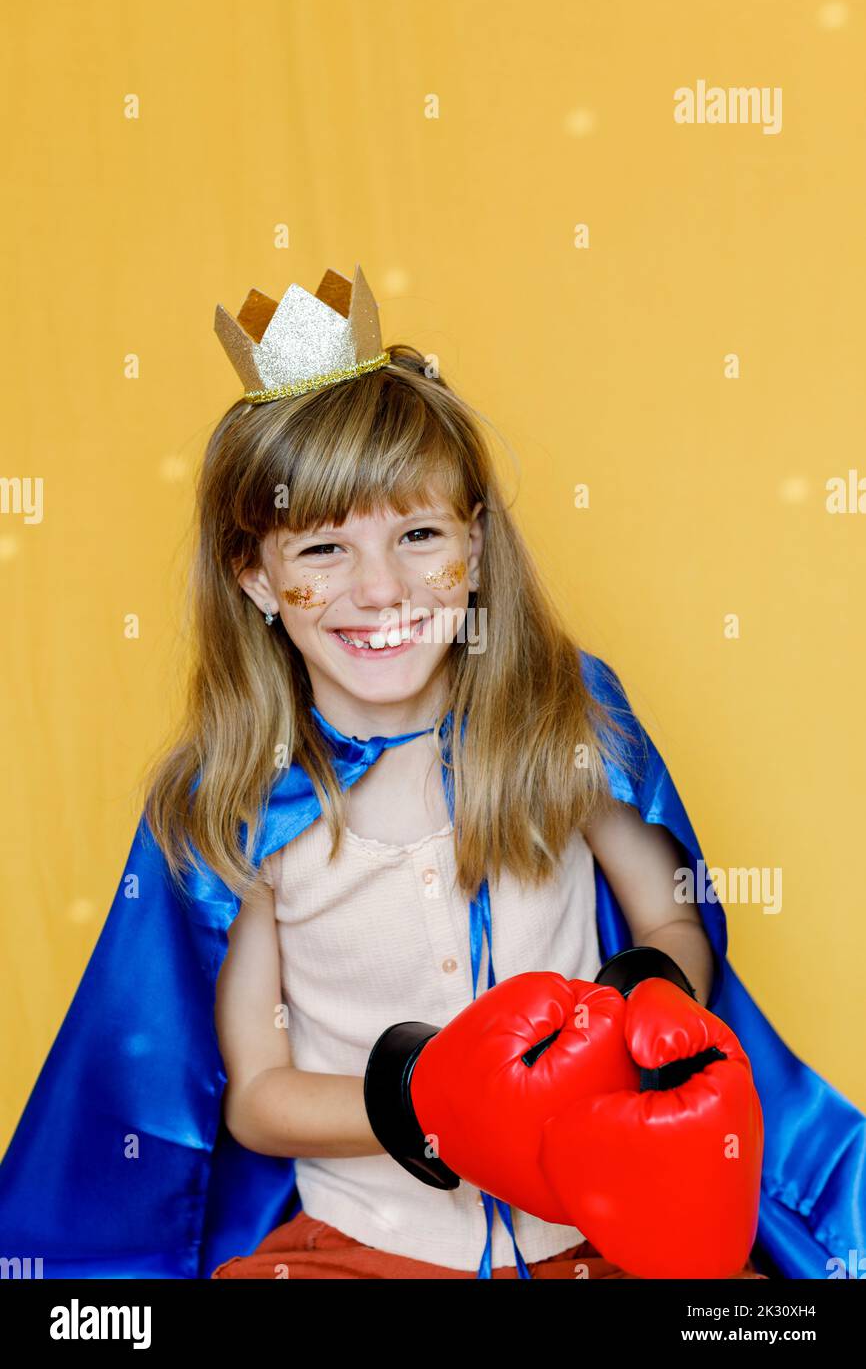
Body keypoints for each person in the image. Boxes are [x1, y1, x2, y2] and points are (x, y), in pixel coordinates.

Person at [0, 266, 861, 1280]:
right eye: (322, 547)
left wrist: (647, 997)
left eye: (418, 536)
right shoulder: (234, 801)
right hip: (366, 1248)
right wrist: (418, 1096)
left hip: (597, 1230)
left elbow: (670, 913)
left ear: (474, 541)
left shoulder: (560, 713)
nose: (381, 589)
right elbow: (256, 1094)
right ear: (254, 576)